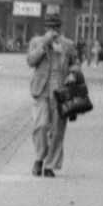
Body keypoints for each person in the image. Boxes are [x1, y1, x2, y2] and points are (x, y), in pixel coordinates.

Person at [26, 11, 78, 177]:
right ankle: (39, 158)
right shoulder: (36, 42)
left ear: (60, 28)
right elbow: (30, 61)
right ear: (45, 28)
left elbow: (76, 65)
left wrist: (72, 74)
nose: (53, 30)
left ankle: (50, 165)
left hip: (60, 90)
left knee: (57, 130)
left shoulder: (68, 45)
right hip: (41, 90)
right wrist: (44, 45)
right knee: (40, 126)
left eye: (55, 27)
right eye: (50, 27)